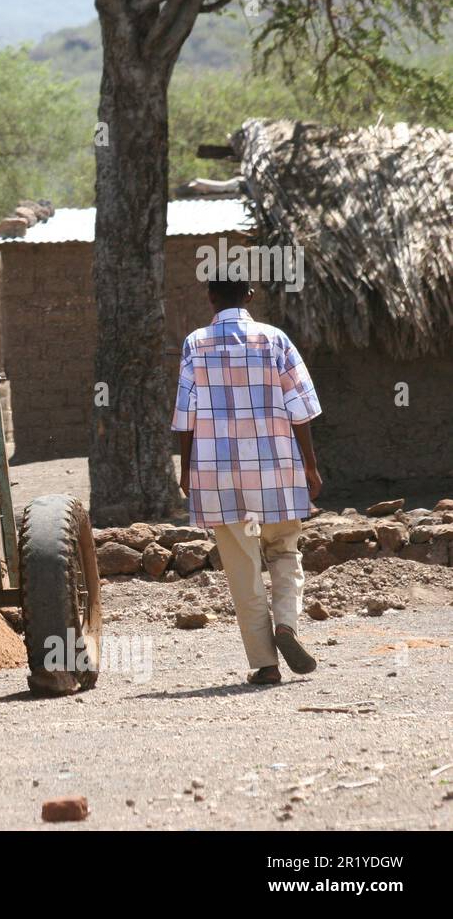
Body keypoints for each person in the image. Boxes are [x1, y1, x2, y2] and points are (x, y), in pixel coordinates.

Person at [172, 276, 323, 685]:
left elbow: (186, 415)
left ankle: (266, 664)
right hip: (275, 472)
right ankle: (287, 625)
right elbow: (301, 408)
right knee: (285, 553)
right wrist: (309, 465)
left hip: (220, 478)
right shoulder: (274, 340)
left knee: (243, 569)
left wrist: (186, 468)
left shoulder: (195, 344)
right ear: (250, 296)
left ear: (209, 296)